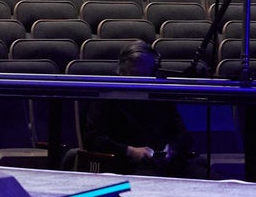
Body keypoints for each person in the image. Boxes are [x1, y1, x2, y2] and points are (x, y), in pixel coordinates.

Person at [80, 40, 193, 177]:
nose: (141, 80)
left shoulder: (159, 94)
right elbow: (92, 139)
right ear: (122, 72)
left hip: (163, 162)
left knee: (203, 170)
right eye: (135, 74)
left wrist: (172, 148)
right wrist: (130, 151)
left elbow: (181, 132)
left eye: (145, 75)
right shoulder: (107, 96)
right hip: (124, 164)